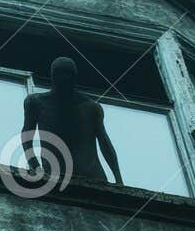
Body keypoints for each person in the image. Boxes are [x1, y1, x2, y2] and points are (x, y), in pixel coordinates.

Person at [21, 56, 122, 186]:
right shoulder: (35, 103)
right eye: (60, 73)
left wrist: (118, 179)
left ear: (74, 77)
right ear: (52, 76)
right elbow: (27, 135)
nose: (64, 78)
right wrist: (35, 166)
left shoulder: (91, 108)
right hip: (53, 175)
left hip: (91, 176)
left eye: (68, 73)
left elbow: (105, 143)